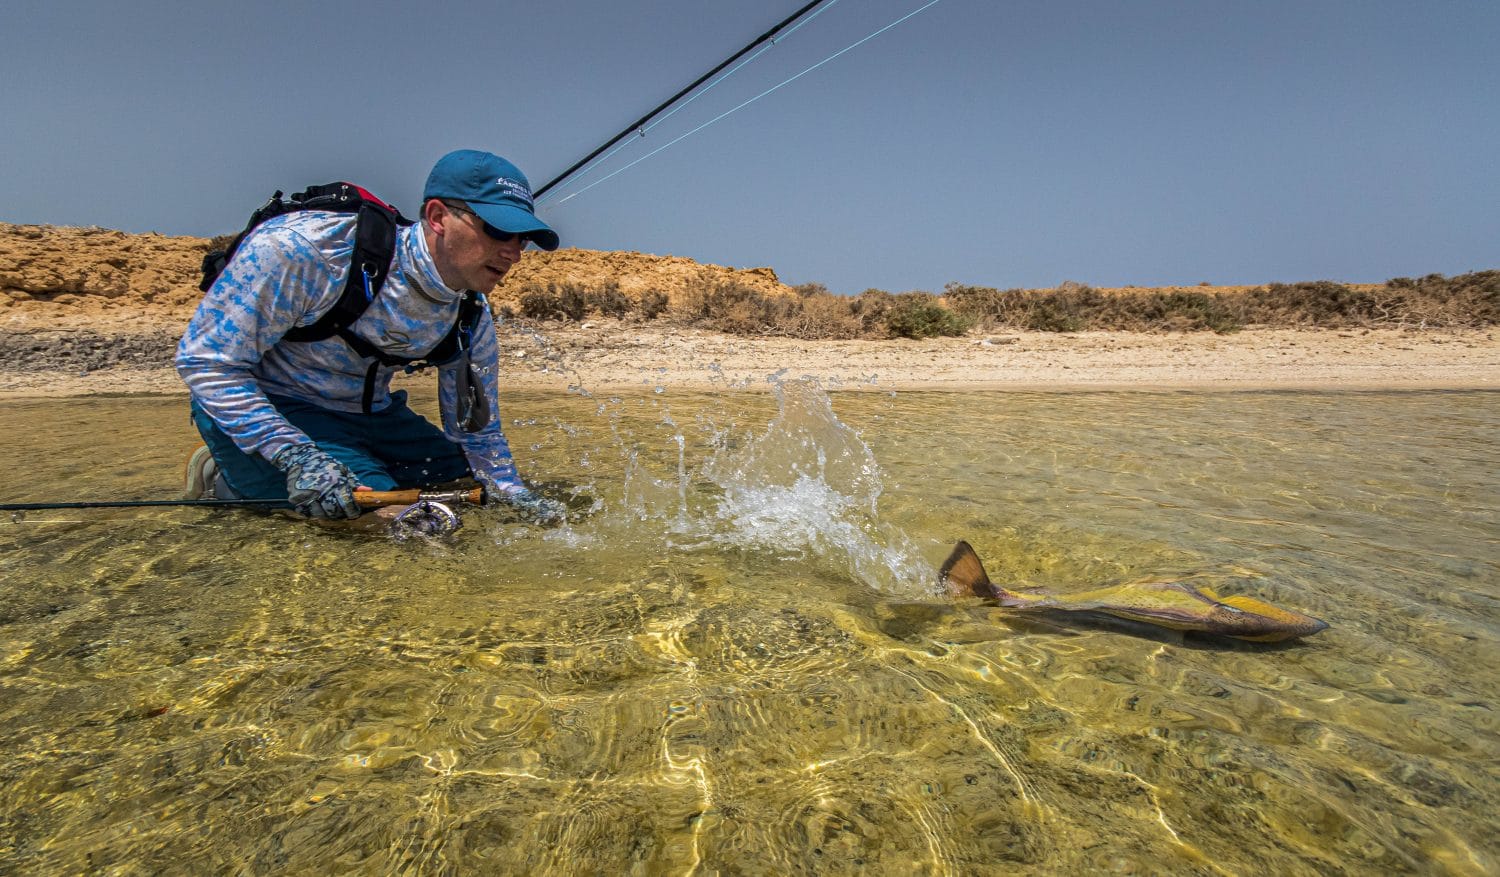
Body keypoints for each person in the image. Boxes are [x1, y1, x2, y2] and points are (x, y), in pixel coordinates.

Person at [177, 149, 566, 528]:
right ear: (437, 216)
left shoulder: (471, 316)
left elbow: (477, 433)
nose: (513, 253)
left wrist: (514, 496)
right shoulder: (301, 249)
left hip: (374, 416)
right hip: (276, 405)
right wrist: (296, 456)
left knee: (473, 497)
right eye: (499, 230)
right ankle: (230, 479)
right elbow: (205, 362)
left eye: (523, 239)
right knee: (410, 528)